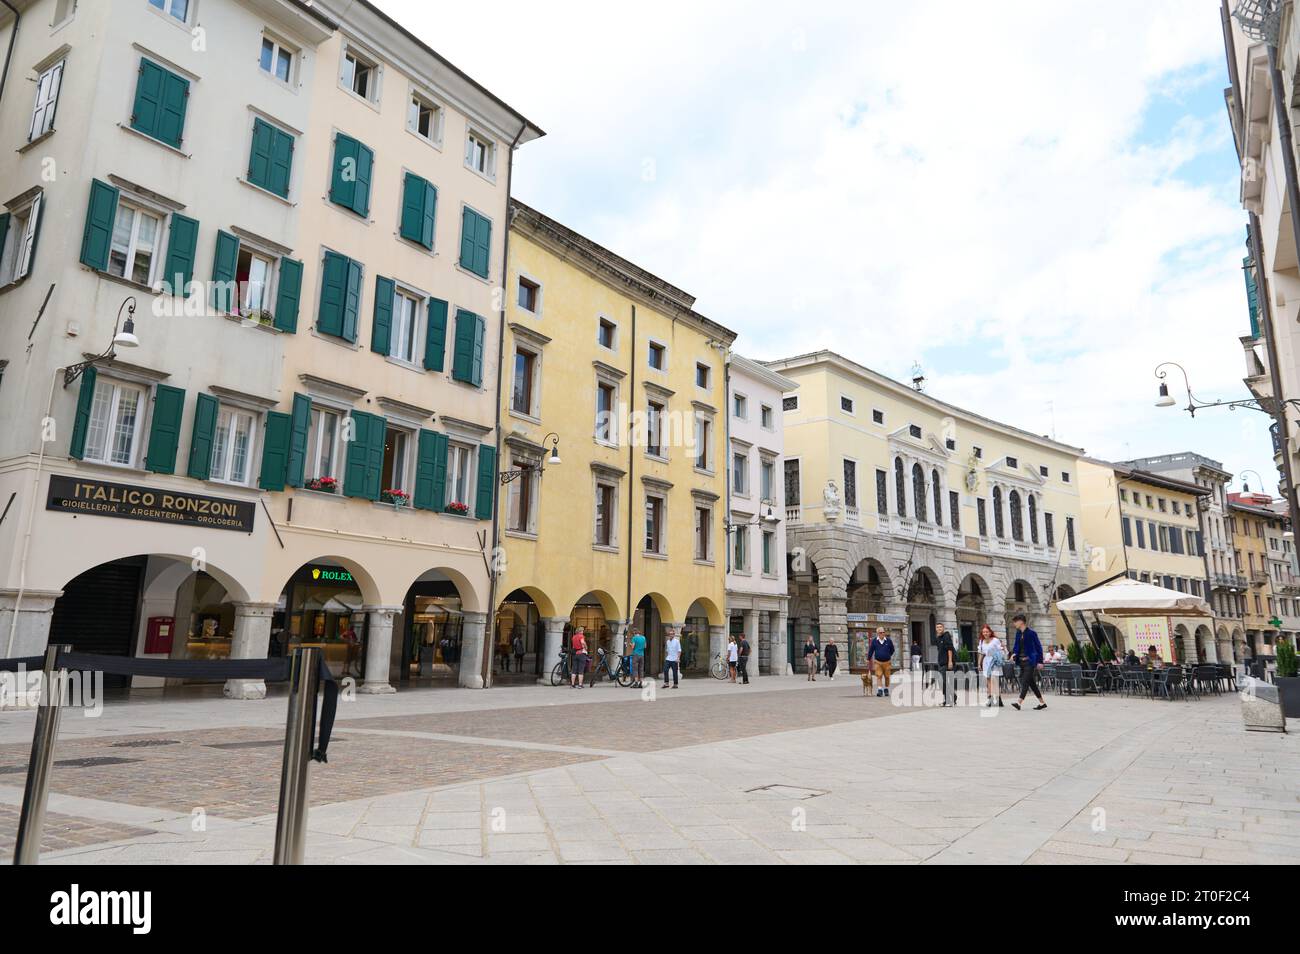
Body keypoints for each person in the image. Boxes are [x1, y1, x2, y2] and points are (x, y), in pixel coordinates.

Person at [1009, 613, 1046, 710]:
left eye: (1015, 622)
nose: (1014, 624)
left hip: (1030, 661)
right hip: (1021, 661)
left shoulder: (1031, 633)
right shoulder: (1018, 633)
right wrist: (1013, 654)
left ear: (1021, 622)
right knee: (1031, 683)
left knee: (1024, 681)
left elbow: (1039, 648)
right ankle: (1042, 703)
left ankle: (1019, 703)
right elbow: (1016, 647)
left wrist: (1040, 661)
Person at [978, 623, 1005, 707]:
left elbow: (1001, 650)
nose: (985, 633)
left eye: (987, 632)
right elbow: (981, 653)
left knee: (995, 681)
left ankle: (997, 699)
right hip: (986, 662)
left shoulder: (995, 640)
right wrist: (979, 663)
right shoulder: (981, 641)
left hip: (994, 661)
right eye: (984, 632)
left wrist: (1001, 653)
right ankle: (991, 699)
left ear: (990, 632)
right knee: (989, 681)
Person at [935, 623, 957, 707]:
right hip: (941, 662)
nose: (939, 628)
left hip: (948, 663)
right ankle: (948, 699)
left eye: (940, 627)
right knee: (942, 682)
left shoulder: (946, 636)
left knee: (946, 681)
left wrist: (950, 661)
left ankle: (951, 700)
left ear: (943, 628)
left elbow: (949, 649)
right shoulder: (938, 638)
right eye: (937, 627)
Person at [869, 628, 895, 697]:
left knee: (887, 676)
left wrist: (888, 655)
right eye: (881, 632)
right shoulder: (874, 641)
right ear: (877, 633)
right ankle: (880, 690)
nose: (882, 633)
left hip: (887, 662)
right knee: (879, 676)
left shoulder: (888, 641)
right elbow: (871, 650)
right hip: (878, 662)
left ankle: (886, 689)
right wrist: (868, 658)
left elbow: (892, 650)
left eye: (883, 632)